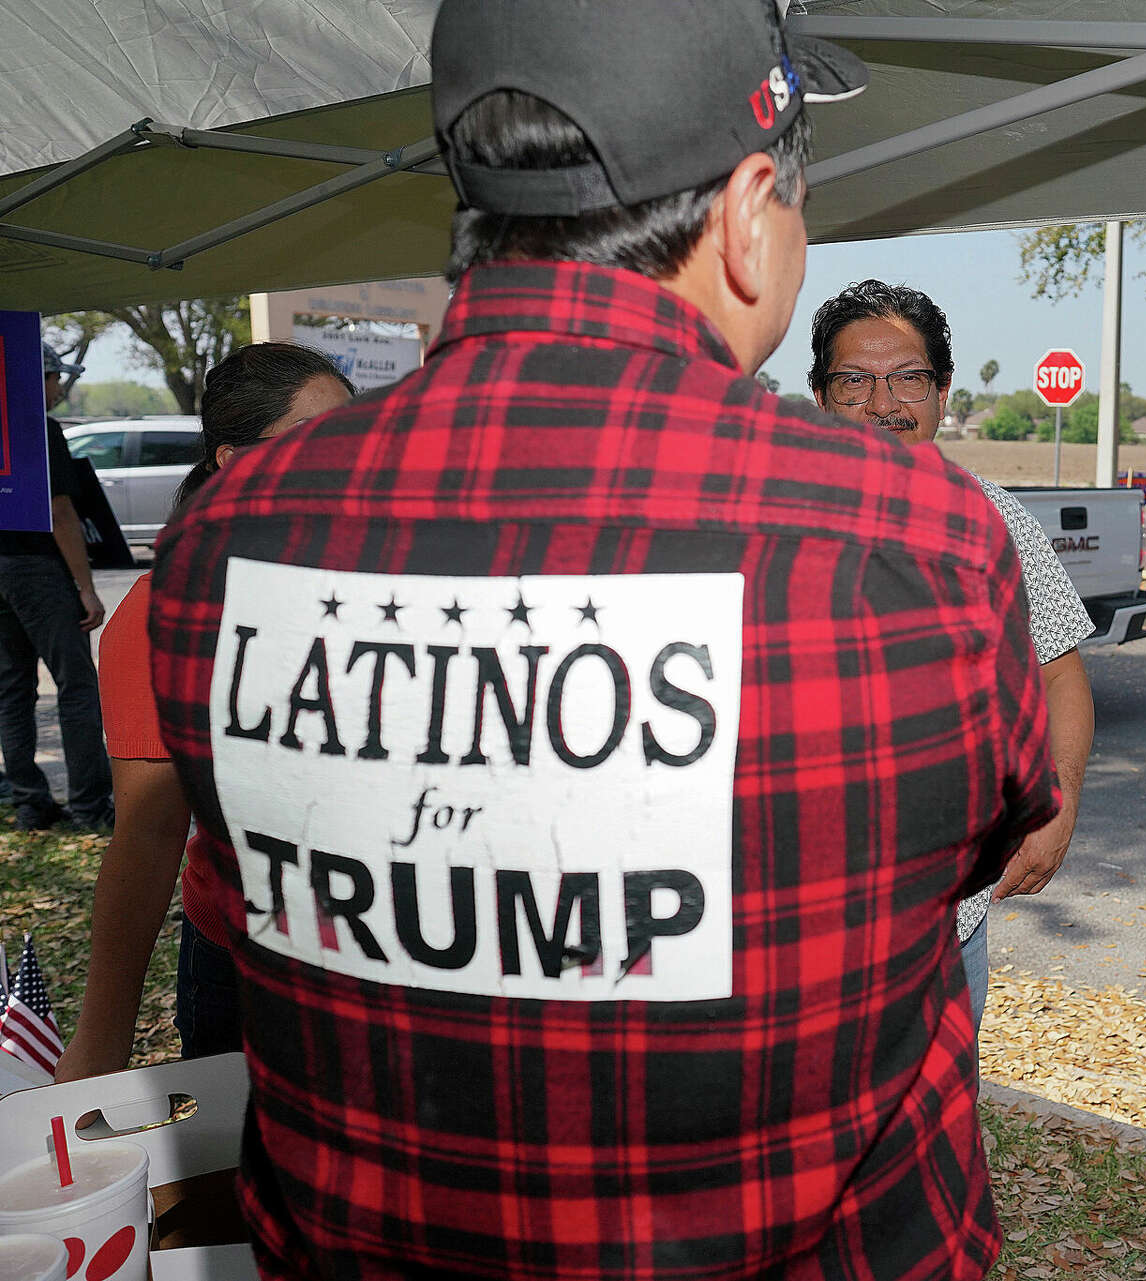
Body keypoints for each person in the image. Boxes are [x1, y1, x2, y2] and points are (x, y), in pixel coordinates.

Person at [146, 4, 1056, 1279]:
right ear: (749, 209)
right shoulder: (909, 538)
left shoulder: (227, 536)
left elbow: (256, 917)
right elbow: (994, 836)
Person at [57, 344, 353, 1083]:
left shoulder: (384, 588)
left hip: (385, 964)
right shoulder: (167, 615)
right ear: (232, 459)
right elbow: (149, 835)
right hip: (248, 971)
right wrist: (100, 1041)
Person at [808, 280, 1094, 1029]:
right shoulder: (774, 521)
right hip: (803, 927)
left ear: (940, 393)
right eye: (854, 381)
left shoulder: (993, 517)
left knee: (938, 1135)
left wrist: (1055, 809)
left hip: (951, 926)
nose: (883, 403)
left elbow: (1060, 675)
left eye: (907, 377)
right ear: (818, 395)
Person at [0, 344, 113, 830]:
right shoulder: (39, 431)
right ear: (36, 380)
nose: (59, 388)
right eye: (53, 378)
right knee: (77, 687)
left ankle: (30, 803)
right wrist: (85, 587)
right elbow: (62, 512)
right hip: (39, 568)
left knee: (12, 688)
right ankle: (90, 807)